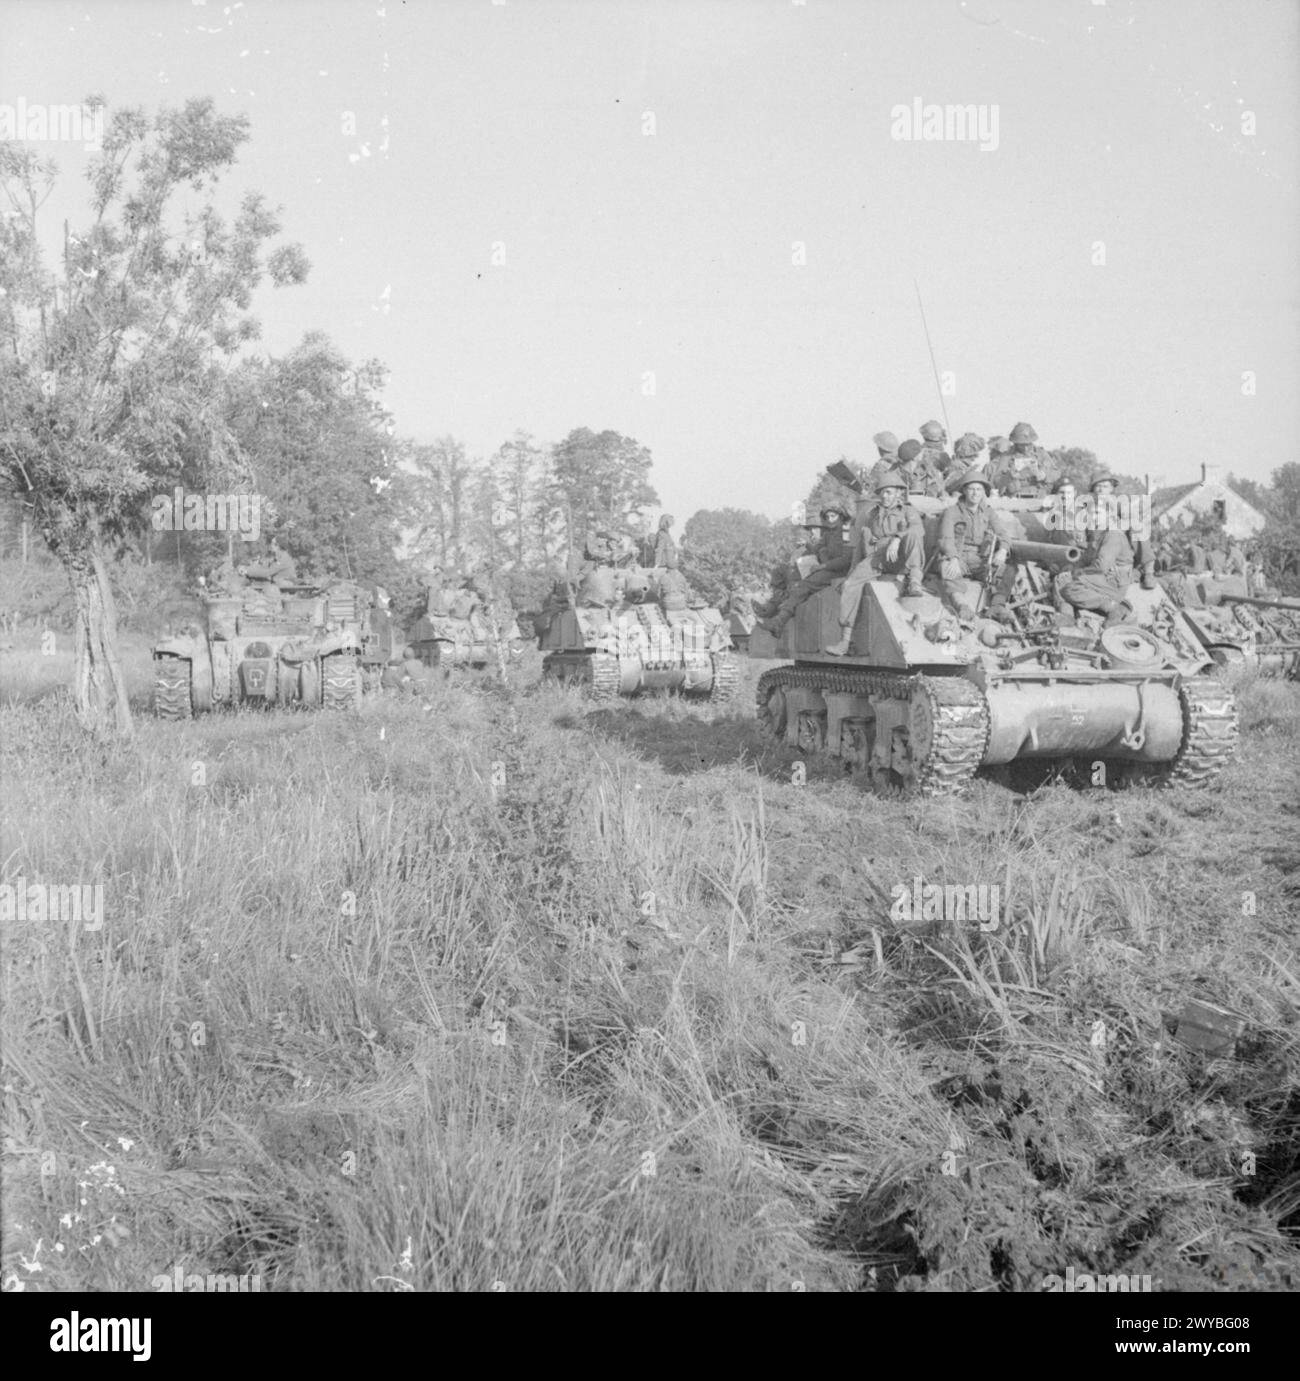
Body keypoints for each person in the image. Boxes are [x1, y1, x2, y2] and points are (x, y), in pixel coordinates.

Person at [826, 472, 925, 655]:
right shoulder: (872, 514)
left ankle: (914, 581)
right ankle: (845, 641)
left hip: (901, 555)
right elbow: (861, 543)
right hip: (878, 555)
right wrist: (851, 573)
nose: (885, 496)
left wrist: (897, 538)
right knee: (850, 585)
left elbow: (918, 529)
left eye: (888, 492)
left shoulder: (907, 511)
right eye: (882, 493)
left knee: (912, 536)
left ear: (898, 494)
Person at [759, 504, 854, 633]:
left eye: (834, 516)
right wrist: (807, 544)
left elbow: (846, 560)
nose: (831, 519)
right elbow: (816, 548)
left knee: (804, 585)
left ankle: (778, 622)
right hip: (829, 570)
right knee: (800, 584)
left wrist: (823, 566)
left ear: (841, 517)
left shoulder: (846, 532)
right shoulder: (828, 535)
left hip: (841, 572)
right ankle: (777, 618)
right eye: (828, 517)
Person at [1057, 475, 1137, 627]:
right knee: (1062, 579)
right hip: (1102, 578)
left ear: (1110, 516)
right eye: (1092, 514)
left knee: (1071, 587)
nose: (1093, 517)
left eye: (1098, 514)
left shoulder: (1113, 534)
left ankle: (1114, 608)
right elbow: (1087, 557)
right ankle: (1067, 617)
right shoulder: (1098, 534)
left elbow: (1101, 566)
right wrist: (1073, 568)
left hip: (1113, 582)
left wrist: (1077, 574)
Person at [937, 469, 1011, 619]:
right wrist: (953, 558)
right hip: (959, 556)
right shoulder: (951, 512)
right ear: (964, 490)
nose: (975, 493)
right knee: (948, 569)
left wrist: (1003, 550)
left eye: (979, 489)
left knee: (1006, 571)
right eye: (971, 489)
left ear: (983, 492)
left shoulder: (988, 512)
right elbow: (946, 538)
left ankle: (997, 607)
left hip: (979, 559)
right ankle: (961, 606)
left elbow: (1003, 534)